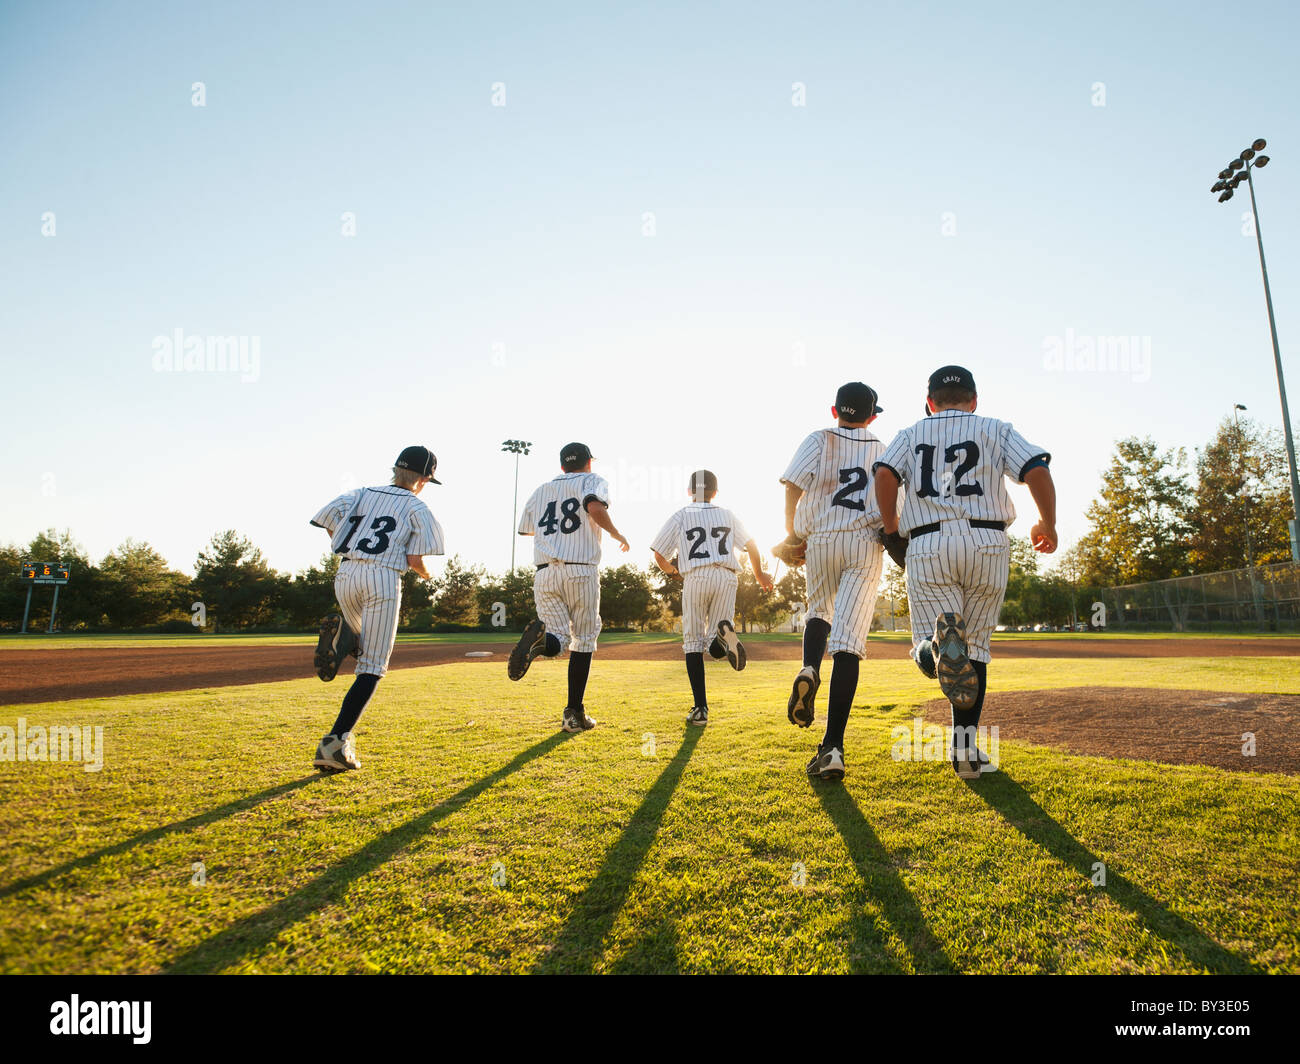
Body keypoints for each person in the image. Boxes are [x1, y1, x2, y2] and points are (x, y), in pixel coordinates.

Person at [872, 365, 1056, 780]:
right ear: (974, 401)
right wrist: (1049, 523)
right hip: (988, 541)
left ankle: (933, 650)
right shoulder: (995, 428)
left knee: (933, 641)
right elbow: (1037, 470)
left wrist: (890, 527)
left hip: (930, 542)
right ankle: (965, 755)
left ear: (929, 401)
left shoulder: (911, 432)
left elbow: (884, 473)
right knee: (975, 653)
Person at [309, 445, 445, 772]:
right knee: (372, 665)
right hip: (383, 576)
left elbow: (328, 520)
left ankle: (344, 639)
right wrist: (427, 576)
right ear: (425, 479)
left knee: (362, 645)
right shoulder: (417, 506)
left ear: (396, 469)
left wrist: (345, 542)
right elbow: (414, 559)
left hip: (345, 572)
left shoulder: (359, 492)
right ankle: (335, 742)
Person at [778, 382, 888, 780]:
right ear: (872, 415)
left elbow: (792, 483)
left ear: (834, 409)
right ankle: (832, 749)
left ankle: (809, 668)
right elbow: (893, 496)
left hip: (821, 539)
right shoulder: (883, 446)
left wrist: (792, 533)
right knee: (849, 644)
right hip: (864, 542)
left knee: (818, 610)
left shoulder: (818, 437)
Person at [507, 442, 630, 733]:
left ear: (562, 466)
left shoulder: (541, 490)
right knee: (584, 640)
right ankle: (574, 713)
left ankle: (539, 642)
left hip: (545, 572)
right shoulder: (593, 480)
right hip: (580, 570)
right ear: (589, 462)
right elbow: (594, 506)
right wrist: (615, 533)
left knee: (558, 640)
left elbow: (526, 529)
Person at [650, 469, 773, 726]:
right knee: (715, 647)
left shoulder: (681, 515)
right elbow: (751, 545)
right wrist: (760, 574)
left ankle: (700, 709)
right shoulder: (727, 513)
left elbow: (659, 555)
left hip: (696, 576)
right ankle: (723, 633)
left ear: (689, 491)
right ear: (715, 492)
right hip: (727, 575)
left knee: (693, 643)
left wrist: (674, 574)